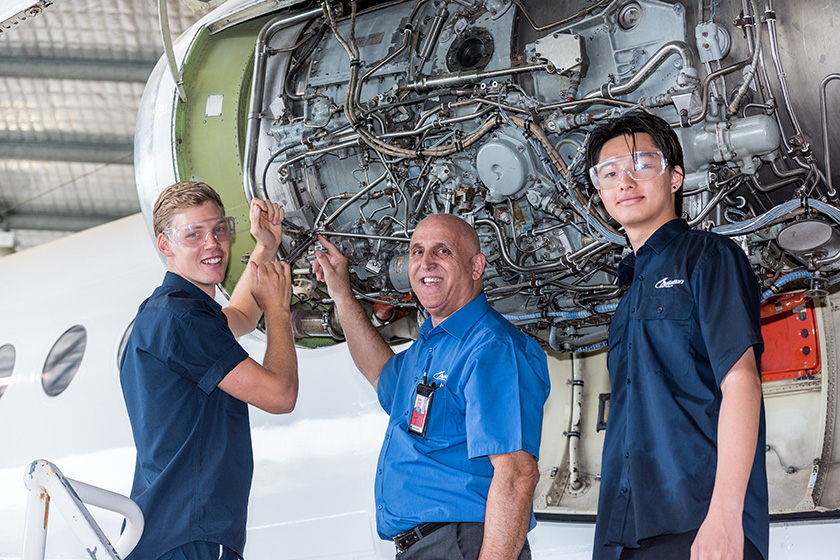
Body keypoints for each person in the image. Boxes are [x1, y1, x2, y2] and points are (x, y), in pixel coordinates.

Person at [312, 213, 550, 559]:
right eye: (417, 252)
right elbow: (380, 373)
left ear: (476, 266)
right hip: (428, 546)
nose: (426, 263)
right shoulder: (429, 347)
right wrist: (342, 295)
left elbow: (517, 472)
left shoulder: (490, 347)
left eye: (442, 252)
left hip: (461, 542)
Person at [585, 111, 768, 560]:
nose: (625, 181)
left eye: (642, 164)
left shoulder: (709, 257)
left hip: (698, 525)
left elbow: (741, 381)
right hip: (623, 534)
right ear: (601, 193)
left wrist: (726, 516)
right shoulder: (627, 298)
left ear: (675, 178)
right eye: (609, 173)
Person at [120, 181, 298, 560]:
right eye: (194, 235)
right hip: (190, 535)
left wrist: (265, 247)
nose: (212, 244)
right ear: (165, 244)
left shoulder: (170, 312)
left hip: (164, 534)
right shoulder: (183, 319)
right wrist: (280, 311)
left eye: (219, 230)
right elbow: (280, 395)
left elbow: (241, 316)